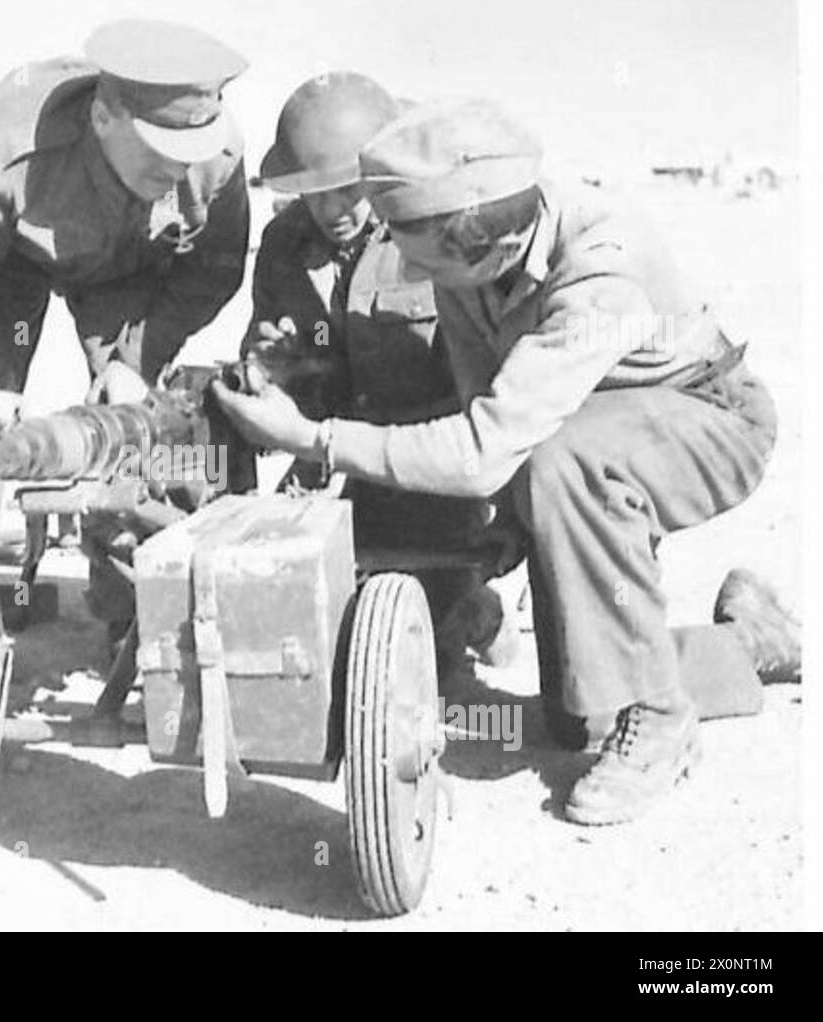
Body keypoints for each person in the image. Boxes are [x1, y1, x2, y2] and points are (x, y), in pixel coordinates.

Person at [212, 98, 800, 825]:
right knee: (576, 709)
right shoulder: (470, 255)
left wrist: (314, 438)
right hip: (588, 422)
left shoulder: (600, 271)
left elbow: (488, 447)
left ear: (481, 245)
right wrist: (501, 528)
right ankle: (751, 640)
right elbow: (486, 403)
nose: (388, 251)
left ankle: (661, 713)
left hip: (707, 416)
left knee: (569, 463)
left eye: (410, 246)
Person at [0, 18, 251, 638]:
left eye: (188, 160)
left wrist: (136, 358)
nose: (178, 174)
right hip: (9, 266)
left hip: (131, 274)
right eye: (160, 158)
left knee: (134, 422)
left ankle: (134, 605)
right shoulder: (8, 147)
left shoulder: (214, 157)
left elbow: (211, 271)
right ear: (103, 120)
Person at [247, 71, 515, 671]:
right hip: (340, 452)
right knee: (309, 610)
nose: (330, 210)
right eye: (313, 193)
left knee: (414, 659)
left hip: (435, 465)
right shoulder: (285, 245)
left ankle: (475, 611)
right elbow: (274, 354)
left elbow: (497, 387)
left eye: (346, 190)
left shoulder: (435, 227)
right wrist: (277, 369)